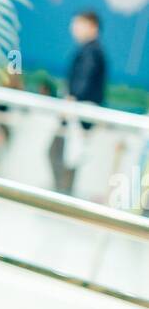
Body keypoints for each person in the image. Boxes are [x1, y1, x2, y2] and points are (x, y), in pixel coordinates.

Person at [49, 10, 107, 194]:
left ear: (92, 26)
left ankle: (62, 195)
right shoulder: (91, 51)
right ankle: (62, 194)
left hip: (78, 113)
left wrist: (72, 99)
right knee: (65, 154)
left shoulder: (91, 52)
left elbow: (84, 78)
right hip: (78, 112)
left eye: (78, 24)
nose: (73, 28)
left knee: (63, 154)